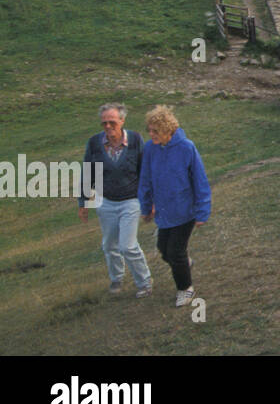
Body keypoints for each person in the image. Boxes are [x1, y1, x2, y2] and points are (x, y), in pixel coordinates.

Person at [138, 105, 211, 307]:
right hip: (163, 211)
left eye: (155, 131)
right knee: (164, 250)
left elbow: (200, 181)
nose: (151, 134)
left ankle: (185, 289)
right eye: (149, 130)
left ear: (167, 130)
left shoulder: (187, 148)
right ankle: (185, 265)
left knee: (175, 252)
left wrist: (202, 212)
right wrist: (146, 207)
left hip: (185, 211)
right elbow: (145, 180)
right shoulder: (150, 149)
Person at [78, 103, 153, 298]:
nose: (108, 127)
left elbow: (145, 171)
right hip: (105, 201)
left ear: (122, 121)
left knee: (127, 245)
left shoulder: (136, 139)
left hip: (131, 200)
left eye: (112, 122)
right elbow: (88, 173)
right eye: (104, 123)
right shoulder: (94, 143)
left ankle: (144, 282)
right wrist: (83, 202)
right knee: (109, 245)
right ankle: (116, 278)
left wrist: (149, 200)